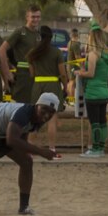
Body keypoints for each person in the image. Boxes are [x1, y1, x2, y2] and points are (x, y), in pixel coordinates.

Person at [0, 92, 59, 215]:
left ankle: (24, 207)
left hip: (3, 133)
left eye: (51, 112)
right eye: (44, 110)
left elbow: (22, 132)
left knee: (26, 162)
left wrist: (27, 151)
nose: (47, 115)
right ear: (37, 106)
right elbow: (12, 139)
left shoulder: (39, 118)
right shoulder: (23, 113)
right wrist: (41, 151)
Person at [75, 9, 108, 158]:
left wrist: (79, 72)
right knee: (102, 121)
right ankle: (100, 147)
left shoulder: (93, 54)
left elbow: (90, 73)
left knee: (95, 122)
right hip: (105, 91)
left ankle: (95, 149)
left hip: (94, 92)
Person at [28, 24, 67, 155]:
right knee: (52, 119)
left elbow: (32, 74)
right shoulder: (56, 52)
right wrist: (66, 86)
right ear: (51, 37)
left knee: (34, 119)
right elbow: (62, 73)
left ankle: (30, 149)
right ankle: (52, 149)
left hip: (38, 86)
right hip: (53, 85)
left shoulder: (32, 53)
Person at [0, 5, 41, 106]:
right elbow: (1, 50)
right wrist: (7, 73)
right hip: (22, 76)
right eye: (33, 17)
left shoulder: (38, 34)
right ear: (27, 17)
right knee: (20, 107)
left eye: (38, 17)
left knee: (33, 106)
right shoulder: (20, 32)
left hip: (36, 75)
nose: (36, 19)